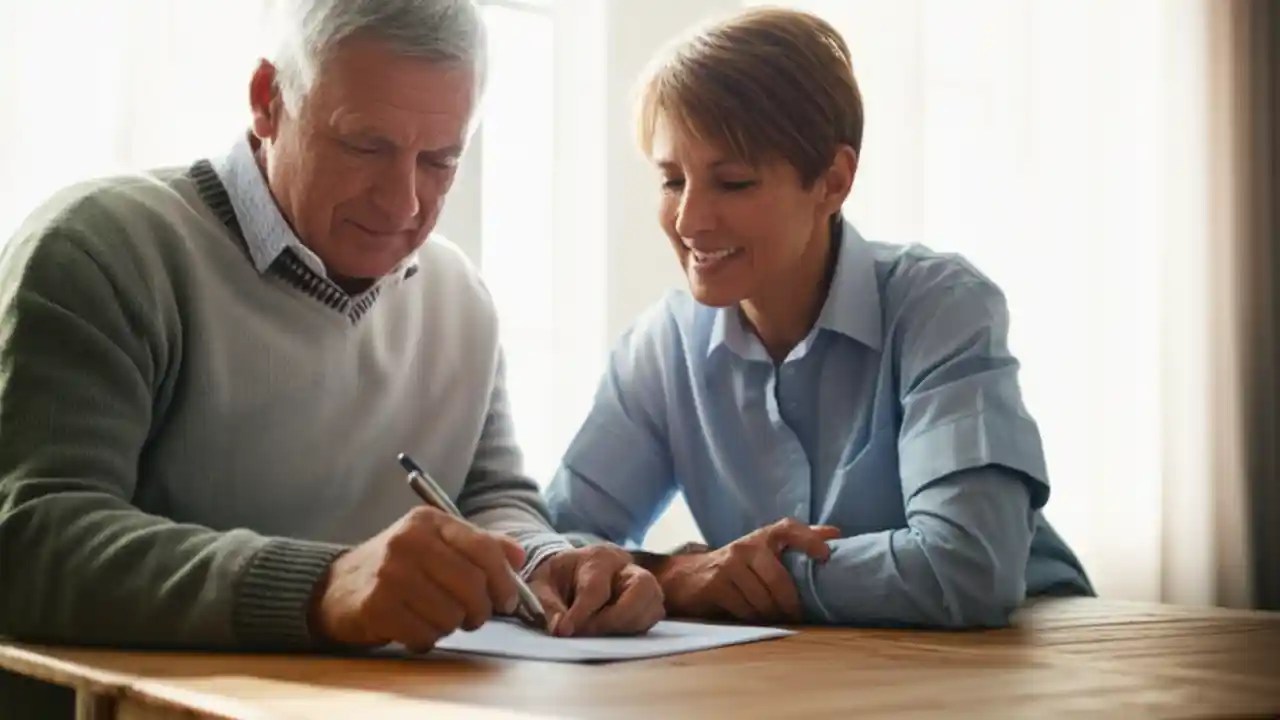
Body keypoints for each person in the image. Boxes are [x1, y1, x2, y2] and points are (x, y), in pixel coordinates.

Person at [0, 0, 665, 677]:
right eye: (365, 145)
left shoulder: (460, 297)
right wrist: (321, 588)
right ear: (268, 100)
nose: (403, 203)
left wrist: (545, 563)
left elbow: (490, 499)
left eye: (440, 160)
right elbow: (29, 539)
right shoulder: (102, 251)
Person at [546, 7, 1092, 629]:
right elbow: (556, 545)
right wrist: (681, 575)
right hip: (815, 662)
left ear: (832, 182)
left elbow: (966, 568)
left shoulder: (939, 305)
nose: (690, 221)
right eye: (672, 180)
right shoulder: (661, 347)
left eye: (734, 182)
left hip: (1038, 647)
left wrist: (740, 578)